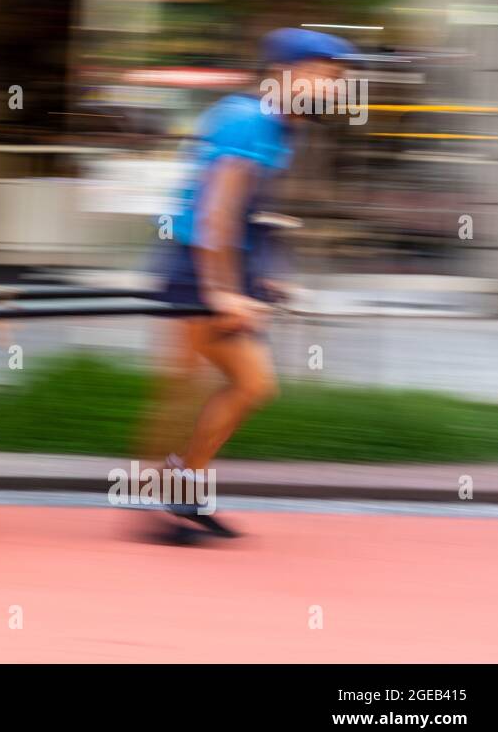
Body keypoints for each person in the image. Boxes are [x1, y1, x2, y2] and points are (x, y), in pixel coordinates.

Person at [142, 27, 354, 543]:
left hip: (216, 264)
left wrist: (265, 271)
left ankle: (174, 493)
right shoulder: (248, 120)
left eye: (338, 79)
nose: (336, 88)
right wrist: (222, 291)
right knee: (219, 386)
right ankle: (167, 496)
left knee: (210, 386)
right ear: (288, 74)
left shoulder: (282, 125)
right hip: (196, 265)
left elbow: (247, 212)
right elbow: (217, 212)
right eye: (327, 76)